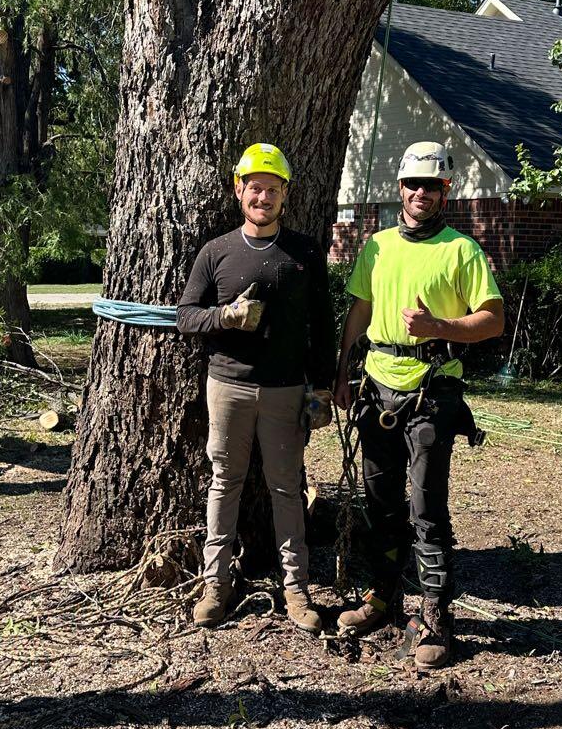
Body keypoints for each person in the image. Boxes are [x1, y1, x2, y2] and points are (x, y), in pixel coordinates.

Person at [332, 142, 504, 669]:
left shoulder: (461, 251)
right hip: (377, 385)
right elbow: (360, 310)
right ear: (399, 188)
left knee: (426, 508)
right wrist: (342, 371)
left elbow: (493, 319)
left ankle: (436, 620)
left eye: (431, 186)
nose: (419, 193)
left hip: (433, 390)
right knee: (380, 502)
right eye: (412, 184)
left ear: (444, 191)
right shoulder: (377, 246)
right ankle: (382, 597)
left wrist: (438, 328)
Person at [177, 143, 336, 634]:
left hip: (288, 391)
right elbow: (185, 316)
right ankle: (215, 585)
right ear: (238, 189)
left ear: (285, 195)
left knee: (287, 489)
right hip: (228, 387)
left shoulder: (305, 253)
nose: (262, 196)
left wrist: (323, 388)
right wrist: (226, 316)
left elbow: (322, 326)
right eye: (254, 187)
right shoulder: (217, 251)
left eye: (272, 189)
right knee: (225, 484)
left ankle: (296, 589)